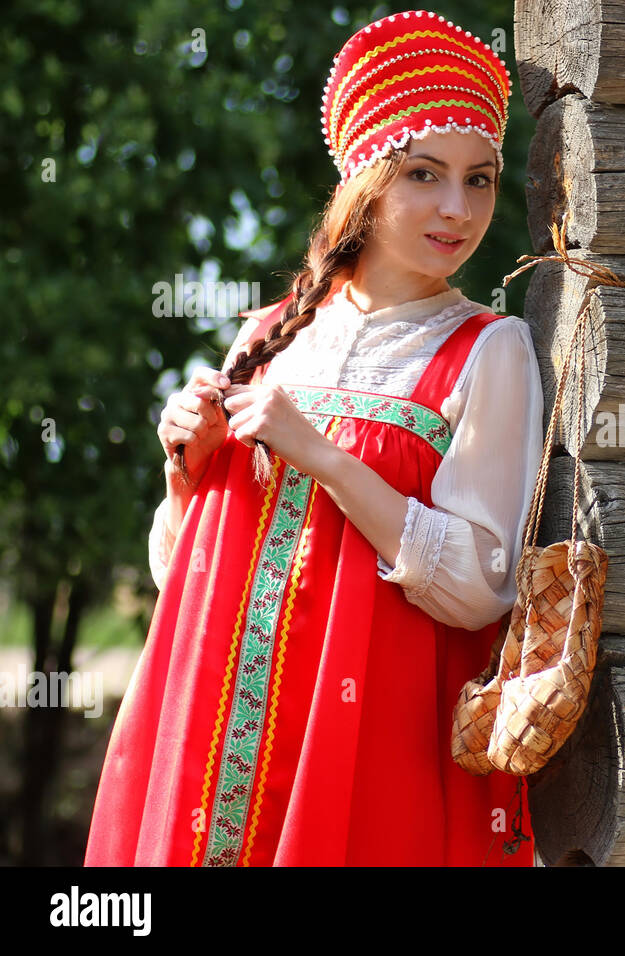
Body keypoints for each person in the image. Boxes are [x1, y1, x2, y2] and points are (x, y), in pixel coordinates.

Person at [85, 10, 543, 866]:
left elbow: (483, 585)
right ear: (368, 181)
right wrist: (186, 476)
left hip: (374, 744)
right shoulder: (265, 336)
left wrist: (324, 457)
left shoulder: (489, 348)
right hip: (213, 729)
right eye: (425, 174)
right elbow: (178, 572)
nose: (458, 208)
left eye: (480, 180)